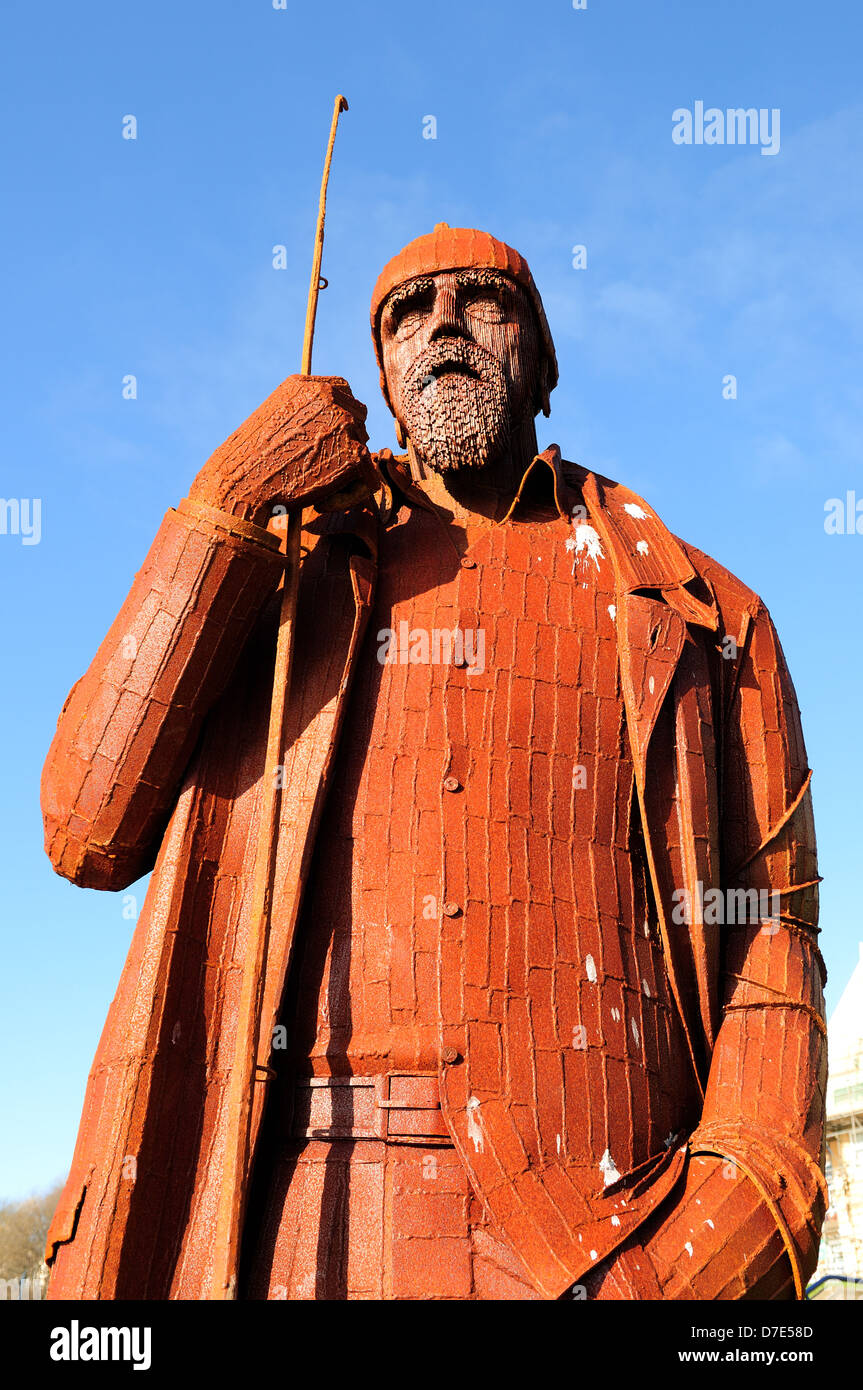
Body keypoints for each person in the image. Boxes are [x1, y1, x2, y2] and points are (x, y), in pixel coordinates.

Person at [42, 225, 826, 1300]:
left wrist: (711, 1238)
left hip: (596, 1239)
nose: (442, 323)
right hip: (281, 1226)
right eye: (406, 311)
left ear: (543, 364)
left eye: (481, 300)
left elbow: (769, 944)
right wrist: (223, 509)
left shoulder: (703, 618)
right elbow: (86, 828)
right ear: (378, 375)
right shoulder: (280, 577)